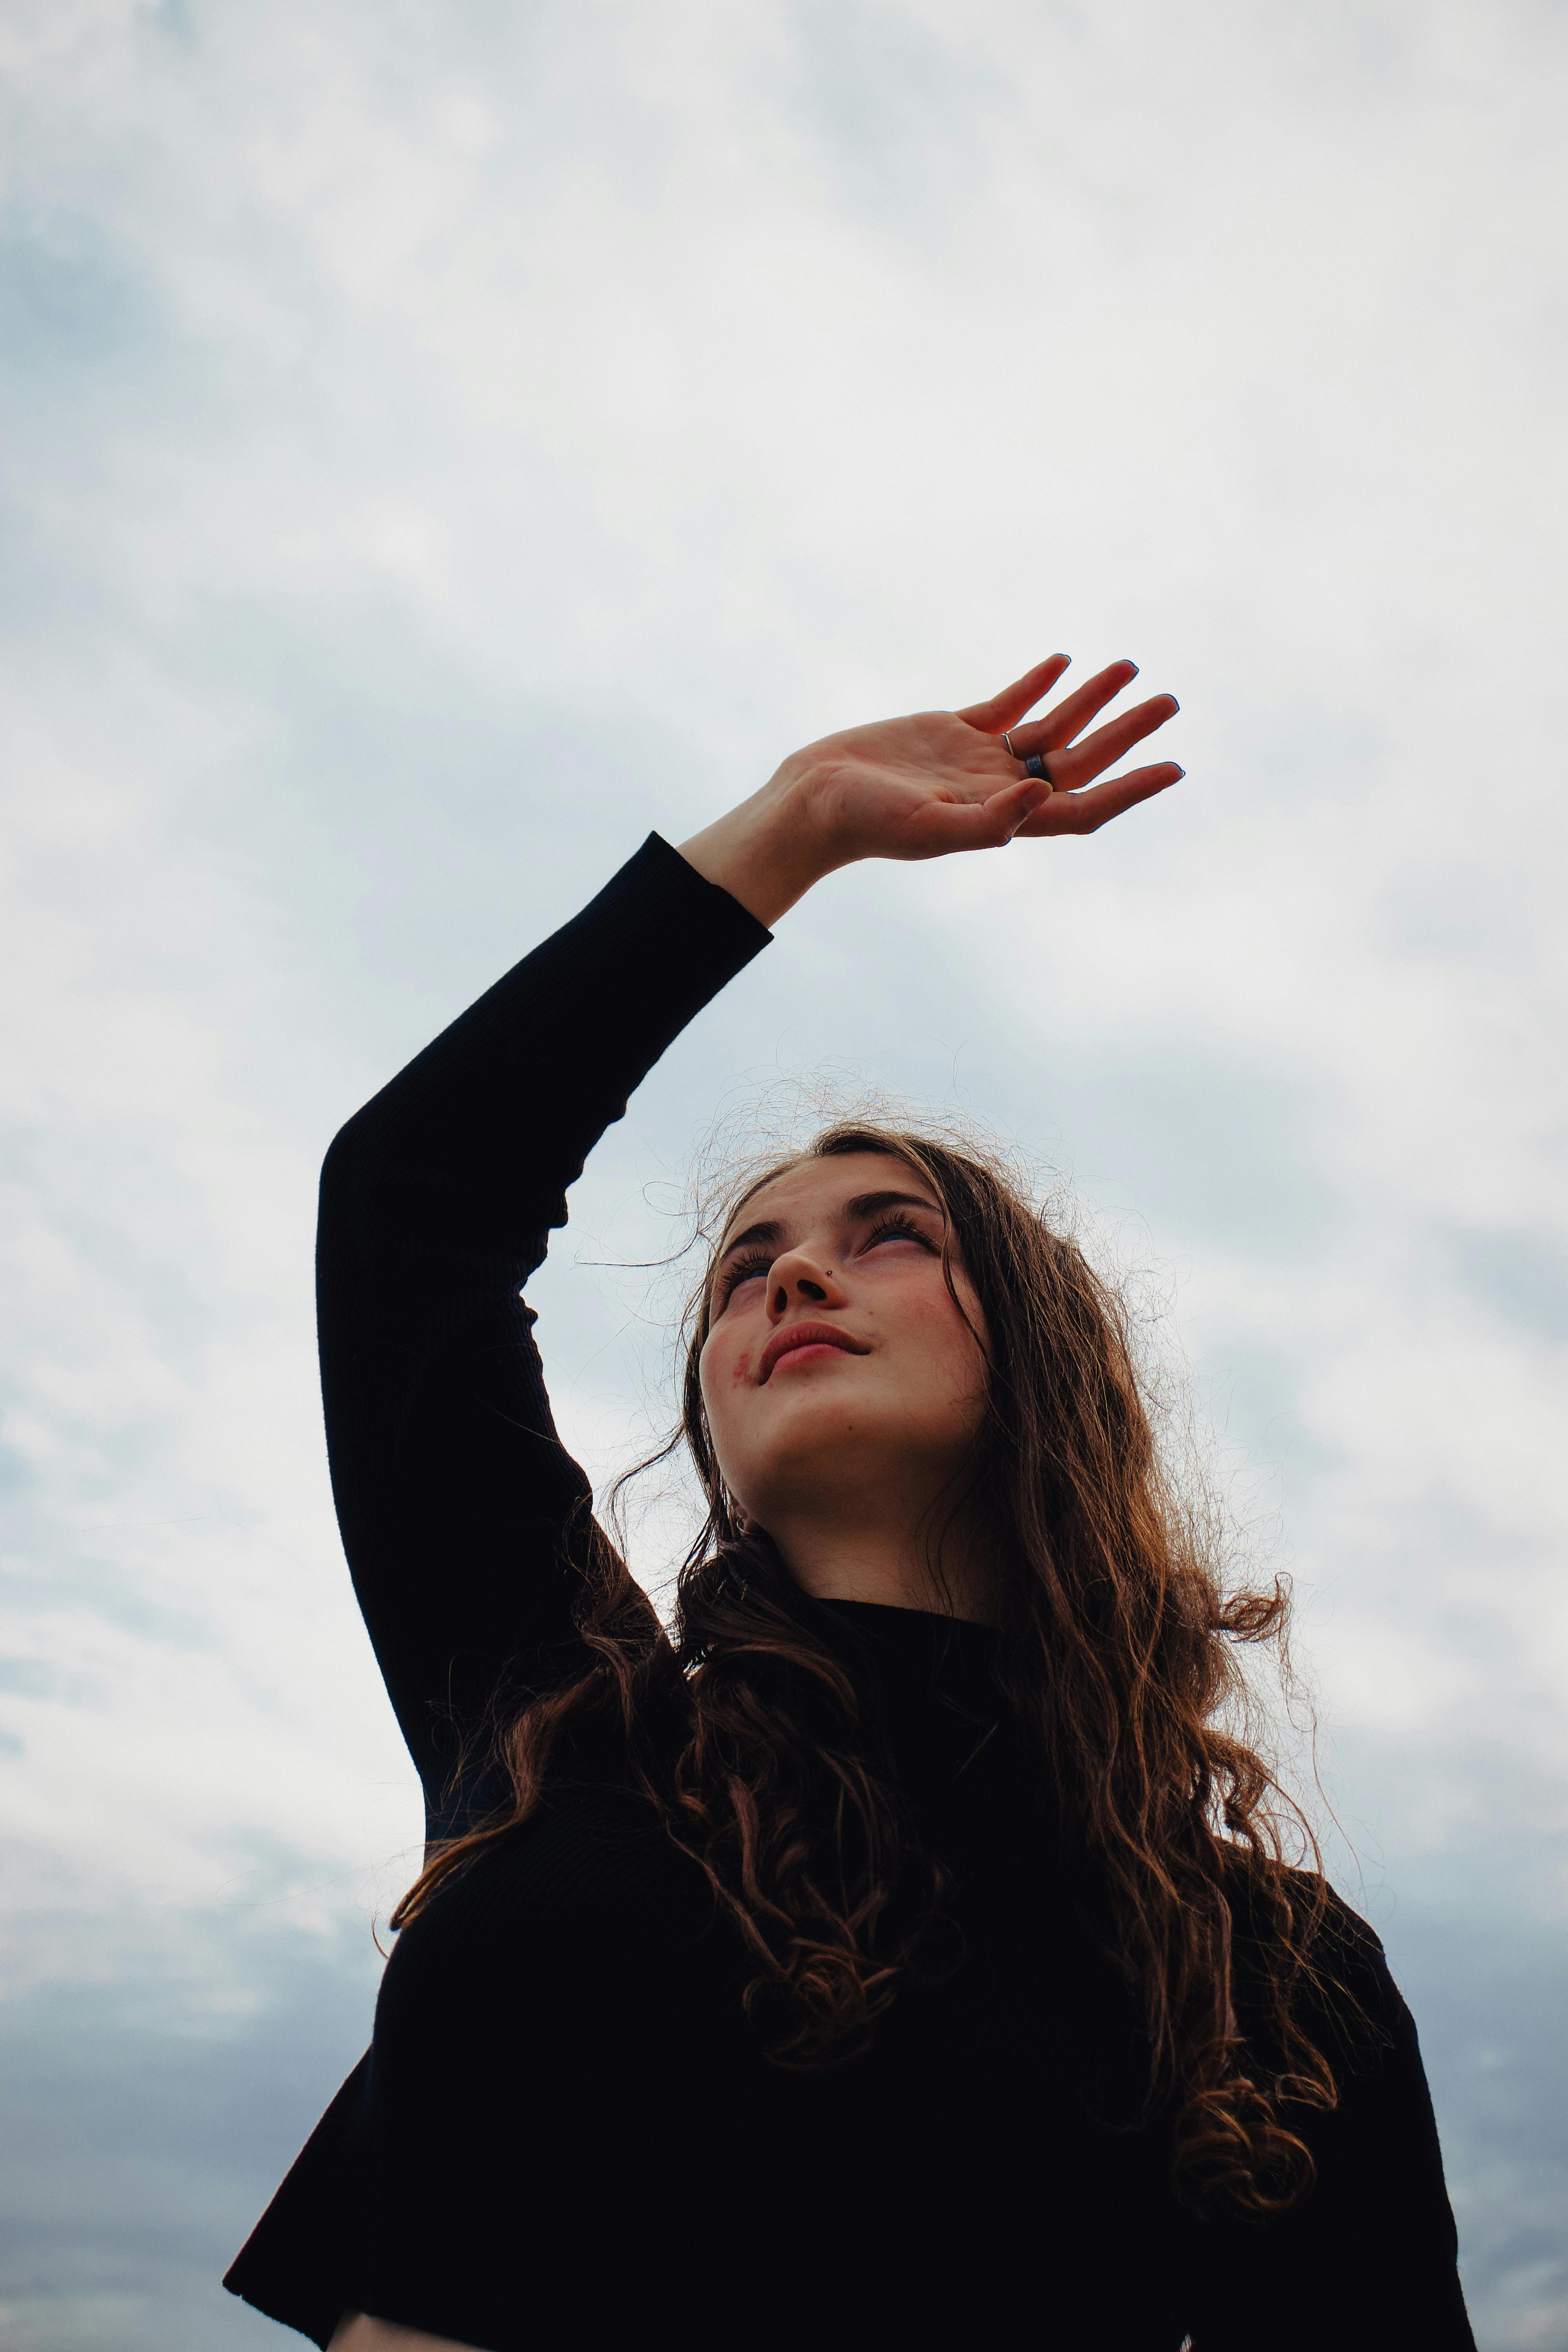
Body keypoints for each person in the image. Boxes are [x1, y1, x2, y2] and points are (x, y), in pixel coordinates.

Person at [224, 656, 1475, 2352]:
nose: (796, 1274)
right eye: (748, 1268)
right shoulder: (573, 1724)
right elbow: (410, 1208)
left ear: (1042, 1362)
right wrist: (797, 822)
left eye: (889, 1235)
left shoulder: (1269, 1969)